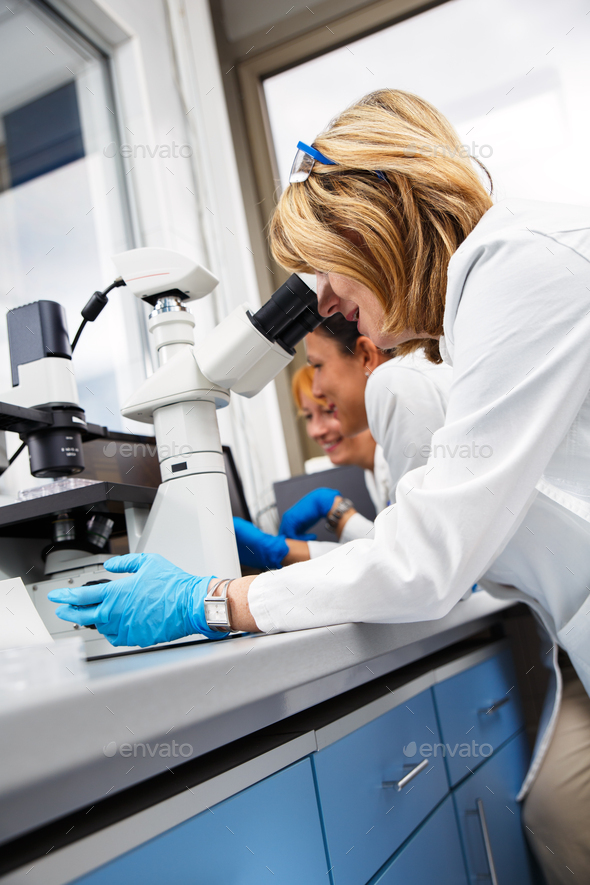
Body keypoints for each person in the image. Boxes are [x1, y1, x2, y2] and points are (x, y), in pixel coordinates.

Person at [50, 89, 590, 883]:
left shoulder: (521, 265)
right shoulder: (489, 301)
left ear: (383, 212)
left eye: (323, 265)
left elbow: (428, 560)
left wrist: (213, 599)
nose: (324, 302)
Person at [234, 312, 450, 570]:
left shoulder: (401, 385)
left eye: (317, 366)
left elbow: (417, 566)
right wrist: (337, 515)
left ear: (366, 356)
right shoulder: (378, 472)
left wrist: (280, 554)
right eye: (308, 416)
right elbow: (393, 551)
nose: (317, 431)